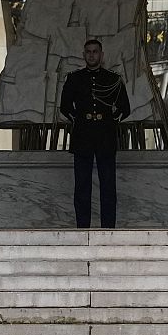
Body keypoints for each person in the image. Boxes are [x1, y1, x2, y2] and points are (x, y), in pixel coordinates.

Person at [59, 39, 130, 229]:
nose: (92, 55)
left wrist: (111, 120)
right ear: (84, 55)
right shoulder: (74, 79)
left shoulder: (112, 79)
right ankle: (83, 228)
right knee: (82, 185)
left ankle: (108, 228)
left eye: (95, 52)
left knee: (108, 185)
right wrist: (78, 119)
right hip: (83, 135)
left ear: (101, 55)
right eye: (88, 52)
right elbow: (65, 107)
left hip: (105, 136)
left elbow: (125, 108)